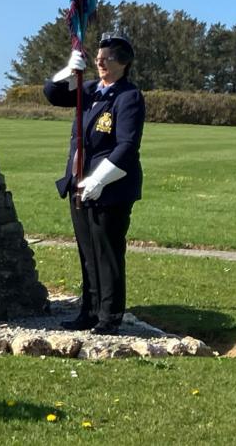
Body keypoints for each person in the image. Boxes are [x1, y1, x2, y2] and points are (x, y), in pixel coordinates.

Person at [43, 32, 146, 335]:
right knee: (87, 252)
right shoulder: (89, 90)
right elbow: (53, 94)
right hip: (79, 183)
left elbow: (127, 146)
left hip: (110, 187)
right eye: (98, 57)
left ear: (123, 63)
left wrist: (100, 179)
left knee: (107, 253)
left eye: (107, 58)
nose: (99, 62)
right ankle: (88, 312)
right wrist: (67, 70)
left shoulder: (128, 97)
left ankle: (109, 316)